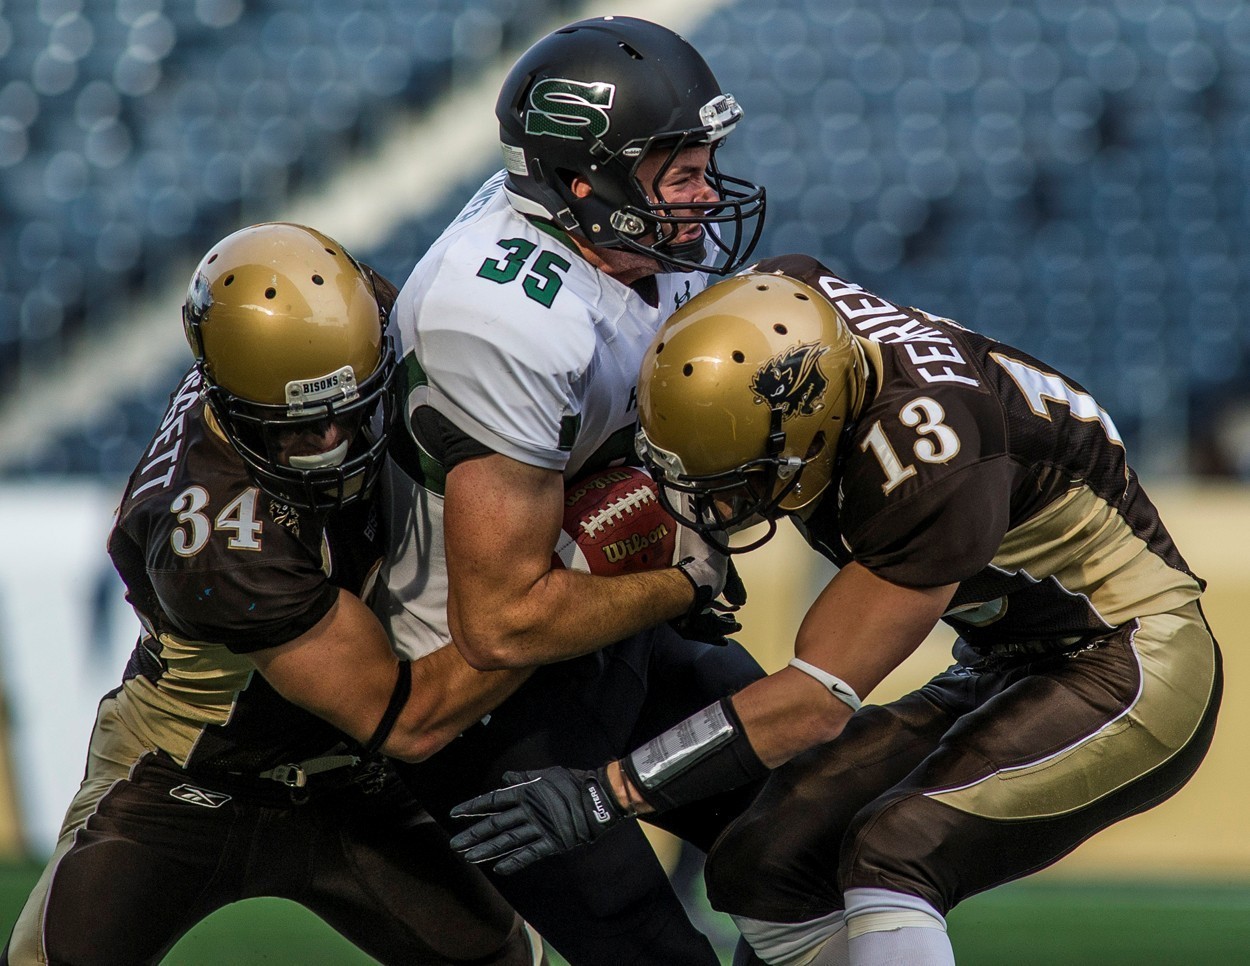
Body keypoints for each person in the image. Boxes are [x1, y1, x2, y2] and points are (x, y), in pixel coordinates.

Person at [446, 254, 1223, 966]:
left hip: (1130, 659)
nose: (719, 507)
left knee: (896, 851)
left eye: (740, 480)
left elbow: (812, 704)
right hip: (1006, 661)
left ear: (814, 435)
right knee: (765, 860)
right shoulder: (789, 325)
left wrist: (604, 793)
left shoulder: (932, 455)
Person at [2, 223, 542, 966]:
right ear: (231, 400)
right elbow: (407, 718)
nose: (335, 440)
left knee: (509, 959)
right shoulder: (215, 534)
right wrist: (545, 605)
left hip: (351, 772)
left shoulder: (346, 326)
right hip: (189, 770)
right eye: (301, 428)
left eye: (350, 409)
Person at [371, 15, 770, 965]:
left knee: (829, 832)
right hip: (488, 696)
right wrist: (688, 574)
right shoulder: (503, 316)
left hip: (603, 629)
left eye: (705, 166)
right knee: (654, 954)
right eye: (680, 175)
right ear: (585, 184)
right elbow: (499, 623)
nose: (706, 198)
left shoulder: (616, 245)